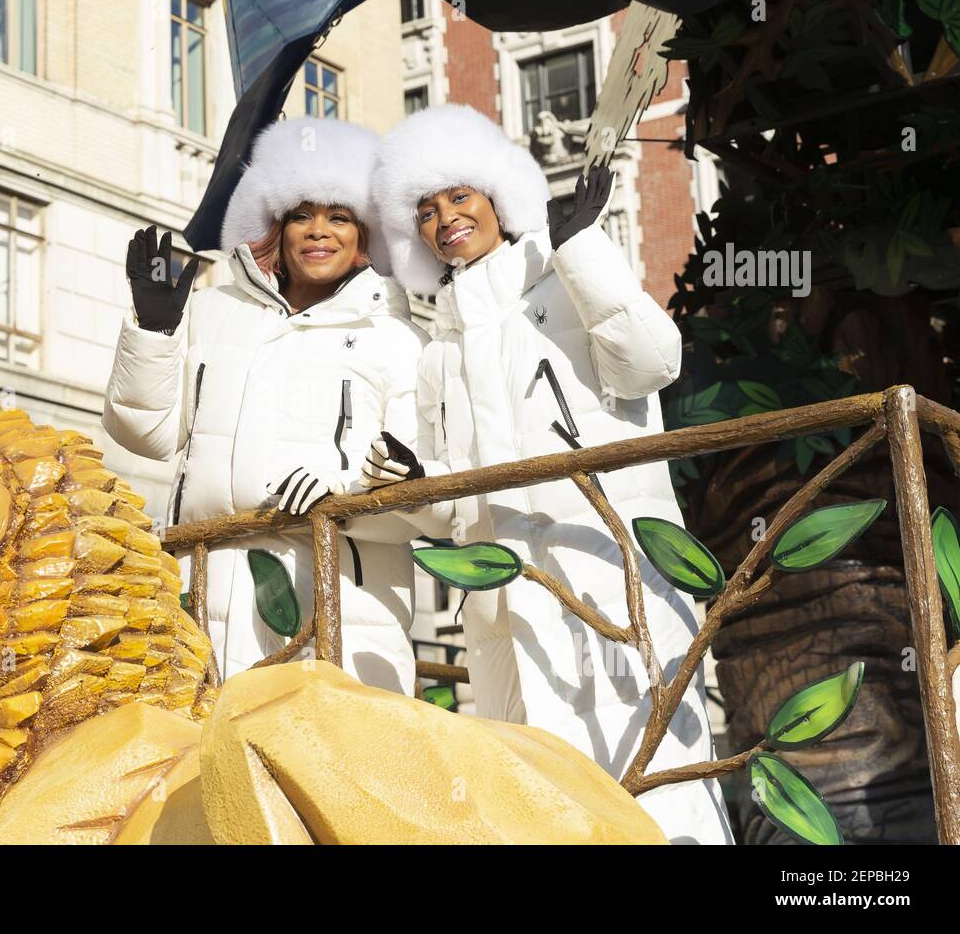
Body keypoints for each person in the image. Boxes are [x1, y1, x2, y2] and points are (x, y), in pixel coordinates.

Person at [364, 103, 733, 843]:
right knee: (533, 803)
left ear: (497, 194)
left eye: (459, 197)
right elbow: (459, 512)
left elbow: (653, 363)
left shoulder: (566, 279)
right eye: (428, 211)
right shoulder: (438, 351)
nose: (446, 221)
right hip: (504, 607)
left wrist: (582, 246)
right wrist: (416, 480)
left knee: (653, 784)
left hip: (609, 582)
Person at [103, 117, 431, 693]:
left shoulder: (397, 339)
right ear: (275, 226)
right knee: (197, 772)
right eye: (300, 214)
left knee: (322, 772)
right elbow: (145, 436)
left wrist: (342, 488)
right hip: (198, 589)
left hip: (336, 601)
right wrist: (154, 332)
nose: (318, 231)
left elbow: (421, 494)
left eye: (339, 216)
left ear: (364, 236)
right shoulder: (211, 310)